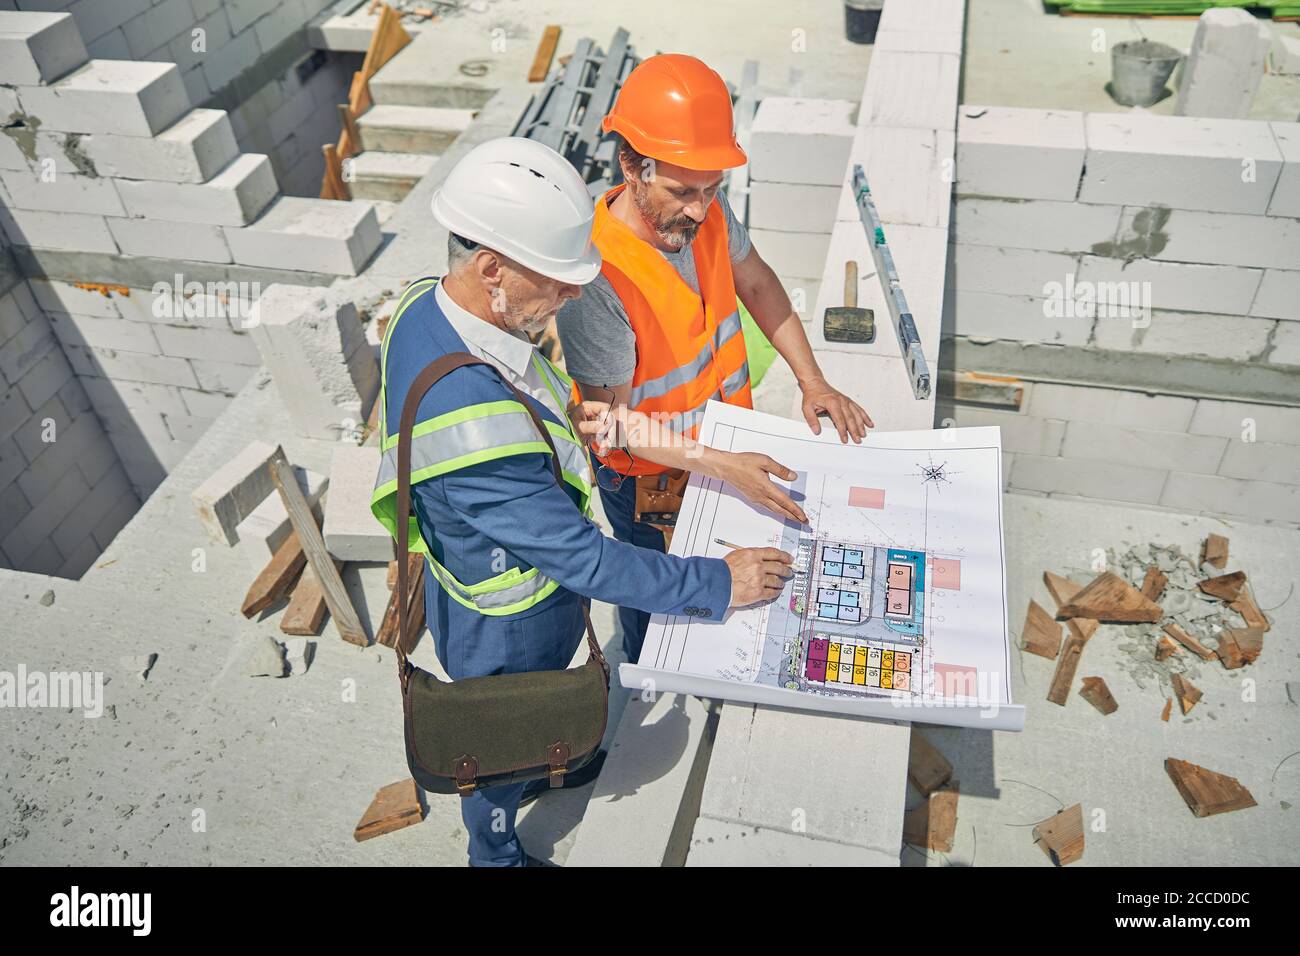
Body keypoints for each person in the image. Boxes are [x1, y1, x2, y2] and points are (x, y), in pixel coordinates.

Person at [369, 136, 793, 867]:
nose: (573, 298)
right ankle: (495, 854)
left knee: (536, 728)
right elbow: (588, 562)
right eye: (559, 282)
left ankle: (549, 761)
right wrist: (719, 582)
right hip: (507, 621)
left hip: (471, 575)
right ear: (490, 268)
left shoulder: (423, 308)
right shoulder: (477, 430)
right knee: (498, 740)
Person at [557, 54, 875, 662]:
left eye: (713, 189)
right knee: (660, 605)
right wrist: (720, 462)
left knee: (733, 594)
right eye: (683, 191)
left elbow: (756, 282)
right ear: (632, 165)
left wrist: (814, 382)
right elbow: (604, 421)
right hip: (647, 480)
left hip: (724, 447)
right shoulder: (597, 277)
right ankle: (646, 673)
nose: (701, 210)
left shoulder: (703, 211)